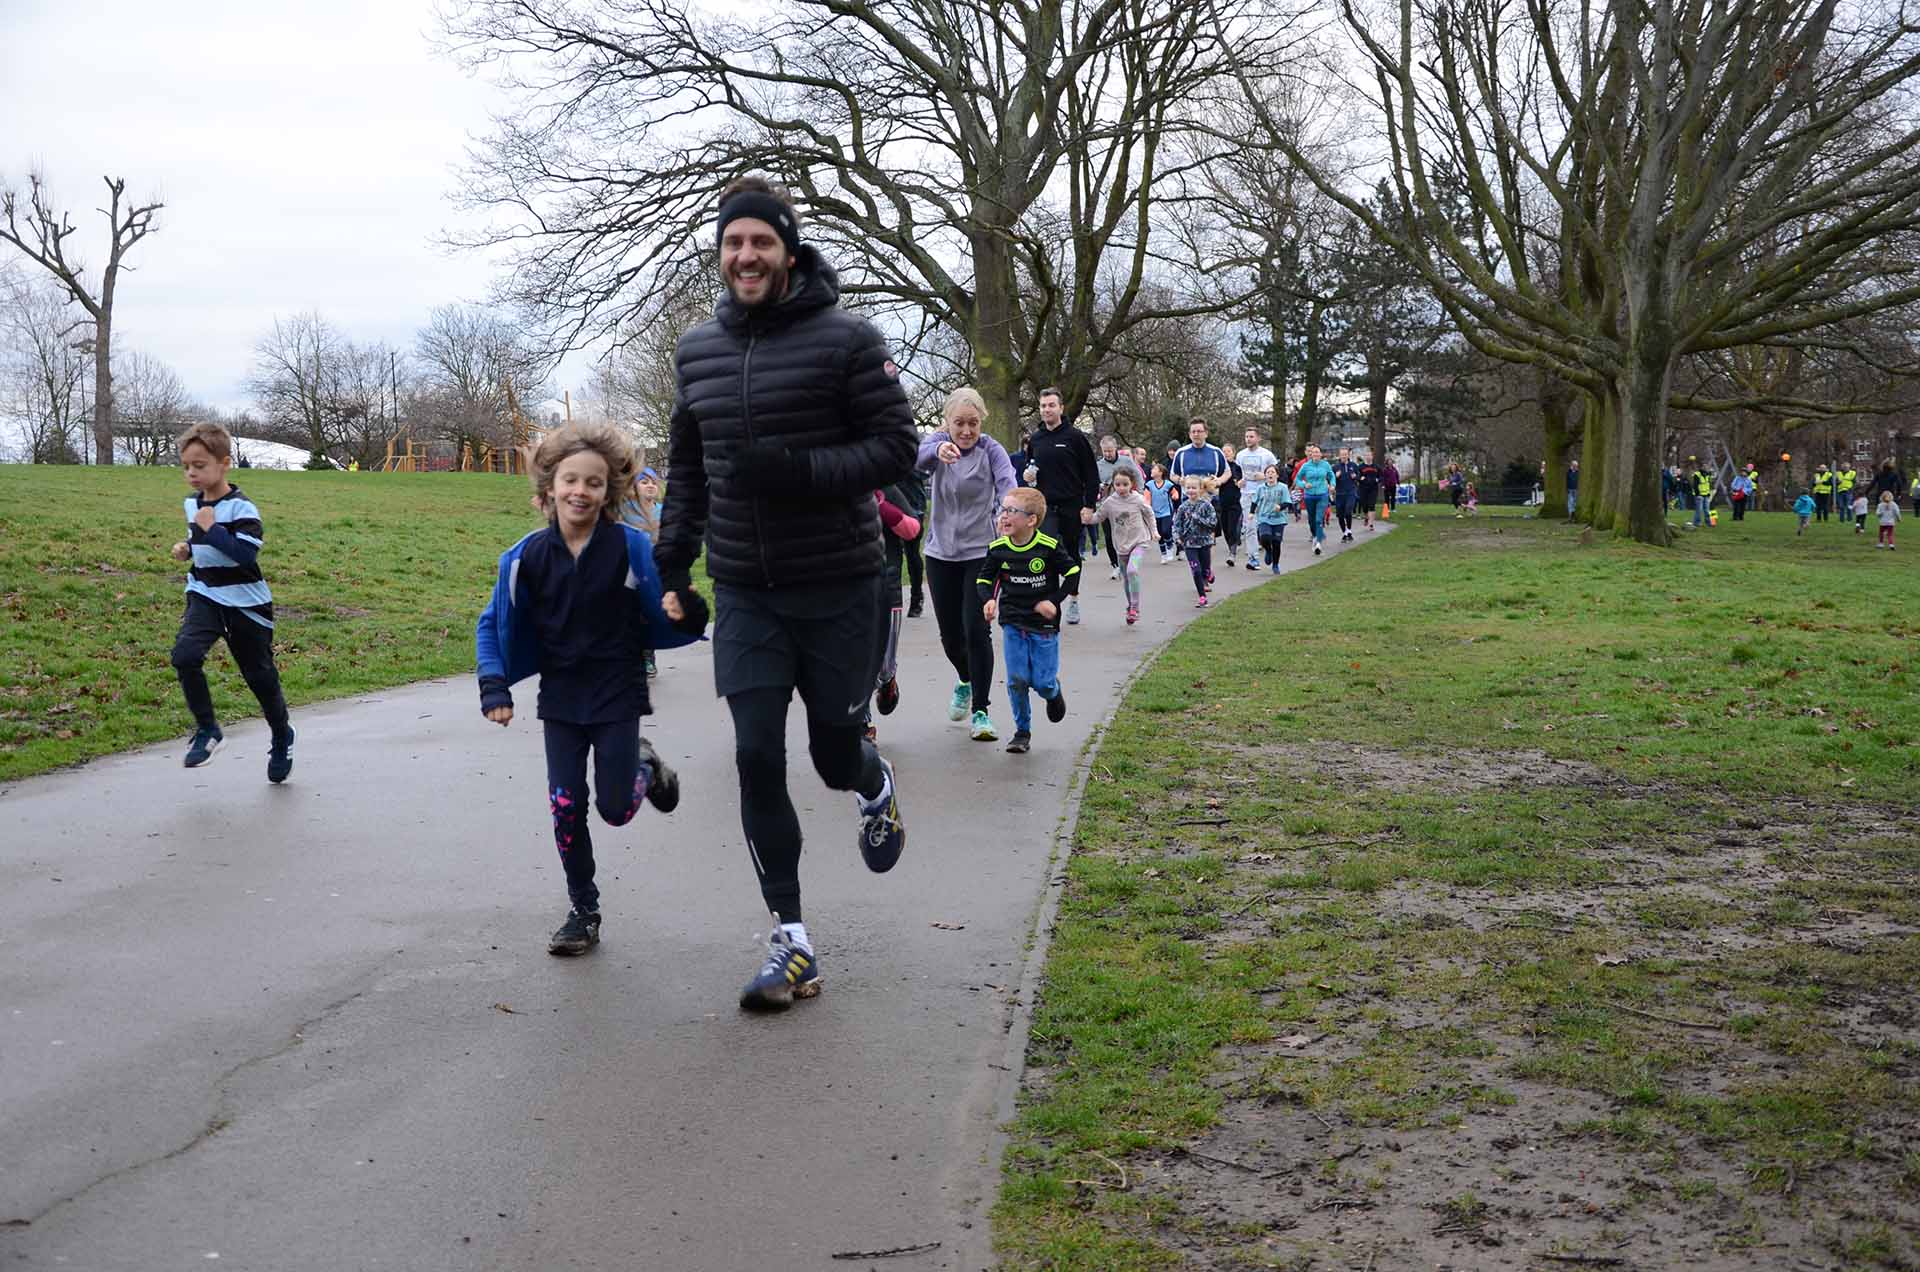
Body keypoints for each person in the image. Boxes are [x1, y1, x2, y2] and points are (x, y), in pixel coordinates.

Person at [652, 175, 915, 1012]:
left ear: (788, 252)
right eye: (733, 242)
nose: (745, 255)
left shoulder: (848, 340)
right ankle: (791, 940)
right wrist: (671, 568)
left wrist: (799, 472)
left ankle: (872, 786)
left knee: (831, 759)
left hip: (839, 585)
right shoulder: (696, 353)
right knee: (756, 755)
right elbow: (687, 471)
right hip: (747, 593)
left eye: (760, 241)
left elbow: (895, 449)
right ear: (720, 254)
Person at [476, 423, 692, 956]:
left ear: (608, 491)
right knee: (566, 804)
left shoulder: (630, 547)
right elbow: (490, 625)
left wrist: (683, 609)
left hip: (618, 691)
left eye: (593, 483)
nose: (581, 491)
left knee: (616, 810)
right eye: (570, 480)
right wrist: (494, 685)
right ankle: (583, 909)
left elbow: (669, 607)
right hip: (563, 699)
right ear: (549, 487)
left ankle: (645, 768)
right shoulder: (525, 558)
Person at [167, 421, 297, 782]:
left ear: (224, 463)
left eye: (200, 465)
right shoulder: (193, 504)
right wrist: (189, 546)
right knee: (185, 656)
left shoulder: (243, 509)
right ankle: (208, 730)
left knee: (259, 677)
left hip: (246, 603)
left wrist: (211, 530)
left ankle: (282, 734)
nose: (191, 473)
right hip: (205, 593)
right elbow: (205, 543)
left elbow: (243, 555)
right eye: (186, 466)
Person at [916, 386, 1015, 742]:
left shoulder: (991, 450)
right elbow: (916, 457)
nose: (966, 431)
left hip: (981, 553)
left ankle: (982, 712)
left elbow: (1007, 484)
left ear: (981, 422)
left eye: (973, 423)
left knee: (976, 630)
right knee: (951, 637)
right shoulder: (938, 444)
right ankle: (965, 679)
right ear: (948, 422)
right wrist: (936, 449)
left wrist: (1010, 511)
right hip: (940, 554)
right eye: (959, 423)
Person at [977, 488, 1075, 754]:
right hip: (1012, 621)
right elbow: (984, 579)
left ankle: (1053, 693)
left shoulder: (1049, 546)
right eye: (1003, 510)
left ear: (1031, 520)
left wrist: (1054, 601)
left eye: (1012, 511)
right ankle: (1022, 732)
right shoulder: (997, 549)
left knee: (1042, 682)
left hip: (1043, 626)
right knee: (1017, 679)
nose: (1004, 516)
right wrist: (988, 599)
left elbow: (1073, 573)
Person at [1026, 387, 1100, 626]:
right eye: (1043, 406)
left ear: (1060, 408)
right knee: (1045, 554)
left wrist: (1089, 505)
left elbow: (1091, 474)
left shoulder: (1075, 437)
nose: (1046, 410)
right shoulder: (1035, 439)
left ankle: (1073, 599)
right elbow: (1031, 467)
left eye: (1051, 405)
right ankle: (1050, 603)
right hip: (1045, 506)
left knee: (1069, 556)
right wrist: (1028, 477)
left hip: (1072, 505)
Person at [864, 488, 922, 739]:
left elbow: (912, 530)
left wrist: (882, 507)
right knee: (854, 663)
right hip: (844, 591)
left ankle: (888, 679)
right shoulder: (833, 488)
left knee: (882, 666)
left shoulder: (886, 489)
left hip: (886, 590)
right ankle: (862, 725)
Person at [1083, 467, 1156, 625]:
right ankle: (1130, 607)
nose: (1121, 488)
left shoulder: (1137, 499)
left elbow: (1149, 514)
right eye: (1118, 484)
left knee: (1132, 570)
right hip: (1121, 546)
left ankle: (1135, 608)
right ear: (1113, 485)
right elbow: (1098, 517)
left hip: (1139, 542)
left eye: (1125, 484)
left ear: (1132, 484)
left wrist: (1154, 532)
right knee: (1126, 579)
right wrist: (1086, 518)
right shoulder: (1110, 502)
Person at [620, 466, 667, 676]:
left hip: (654, 571)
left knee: (647, 615)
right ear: (634, 487)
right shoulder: (624, 510)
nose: (650, 486)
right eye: (644, 482)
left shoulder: (663, 511)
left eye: (653, 482)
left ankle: (648, 657)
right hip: (627, 571)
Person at [1095, 434, 1143, 578]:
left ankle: (1128, 561)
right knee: (1109, 536)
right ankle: (1115, 565)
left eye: (1110, 450)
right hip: (1107, 505)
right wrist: (1100, 486)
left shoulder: (1126, 461)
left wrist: (1139, 493)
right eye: (1105, 451)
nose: (1108, 454)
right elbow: (1092, 483)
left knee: (1125, 533)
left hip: (1126, 505)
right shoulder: (1098, 466)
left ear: (1116, 448)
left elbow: (1138, 476)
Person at [1172, 475, 1220, 606]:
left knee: (1204, 569)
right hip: (1189, 544)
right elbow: (1176, 525)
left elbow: (1213, 523)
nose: (1191, 490)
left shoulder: (1206, 505)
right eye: (1188, 488)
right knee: (1196, 570)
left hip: (1204, 542)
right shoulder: (1183, 507)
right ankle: (1202, 597)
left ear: (1200, 489)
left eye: (1194, 488)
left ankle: (1209, 572)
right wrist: (1178, 538)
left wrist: (1198, 518)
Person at [1294, 444, 1334, 555]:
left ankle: (1318, 543)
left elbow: (1331, 476)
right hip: (1309, 496)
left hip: (1322, 495)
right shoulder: (1306, 466)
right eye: (1313, 452)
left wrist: (1332, 484)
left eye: (1317, 452)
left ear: (1320, 454)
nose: (1315, 454)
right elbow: (1297, 478)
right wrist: (1303, 484)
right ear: (1311, 454)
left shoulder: (1325, 465)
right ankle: (1316, 536)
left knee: (1318, 519)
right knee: (1311, 520)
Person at [1251, 463, 1292, 572]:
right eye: (1268, 472)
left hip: (1279, 519)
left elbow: (1288, 502)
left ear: (1277, 475)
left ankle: (1275, 564)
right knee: (1264, 537)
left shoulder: (1282, 487)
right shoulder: (1261, 488)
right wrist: (1251, 513)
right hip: (1264, 517)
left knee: (1276, 542)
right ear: (1265, 475)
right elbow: (1254, 501)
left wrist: (1280, 507)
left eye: (1272, 472)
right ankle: (1268, 551)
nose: (1270, 474)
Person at [1217, 441, 1246, 566]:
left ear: (1233, 453)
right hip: (1222, 503)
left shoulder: (1237, 467)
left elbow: (1242, 480)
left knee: (1233, 528)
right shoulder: (1219, 469)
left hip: (1235, 502)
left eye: (1228, 451)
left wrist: (1240, 483)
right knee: (1226, 529)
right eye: (1224, 452)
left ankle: (1232, 553)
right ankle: (1232, 546)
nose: (1226, 453)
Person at [1145, 462, 1179, 562]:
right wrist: (1146, 505)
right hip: (1154, 513)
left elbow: (1174, 492)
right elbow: (1146, 497)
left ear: (1160, 472)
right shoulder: (1149, 484)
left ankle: (1170, 546)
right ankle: (1163, 555)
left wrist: (1175, 496)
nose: (1151, 470)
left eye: (1154, 469)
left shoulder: (1168, 484)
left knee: (1165, 531)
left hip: (1167, 512)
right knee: (1159, 534)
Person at [1331, 446, 1360, 541]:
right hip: (1339, 493)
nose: (1344, 456)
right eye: (1342, 454)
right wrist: (1335, 476)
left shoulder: (1354, 465)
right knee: (1340, 515)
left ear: (1348, 455)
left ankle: (1349, 530)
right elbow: (1330, 479)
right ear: (1339, 455)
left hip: (1350, 492)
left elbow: (1359, 477)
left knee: (1348, 511)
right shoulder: (1335, 467)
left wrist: (1355, 477)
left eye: (1345, 454)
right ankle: (1345, 532)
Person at [1356, 453, 1381, 530]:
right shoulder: (1360, 467)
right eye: (1367, 455)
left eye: (1370, 455)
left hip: (1373, 489)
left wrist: (1378, 480)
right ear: (1365, 457)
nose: (1368, 457)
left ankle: (1371, 524)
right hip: (1363, 489)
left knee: (1372, 505)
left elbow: (1381, 476)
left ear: (1372, 457)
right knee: (1365, 506)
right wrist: (1360, 479)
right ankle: (1366, 517)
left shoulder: (1376, 467)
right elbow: (1357, 476)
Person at [1689, 459, 1713, 528]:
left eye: (1707, 466)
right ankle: (1697, 522)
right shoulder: (1697, 475)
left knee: (1707, 510)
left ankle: (1708, 523)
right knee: (1699, 510)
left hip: (1706, 495)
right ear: (1701, 467)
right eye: (1704, 466)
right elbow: (1695, 486)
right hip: (1699, 495)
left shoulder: (1708, 475)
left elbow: (1708, 485)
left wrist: (1708, 493)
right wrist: (1698, 494)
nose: (1706, 467)